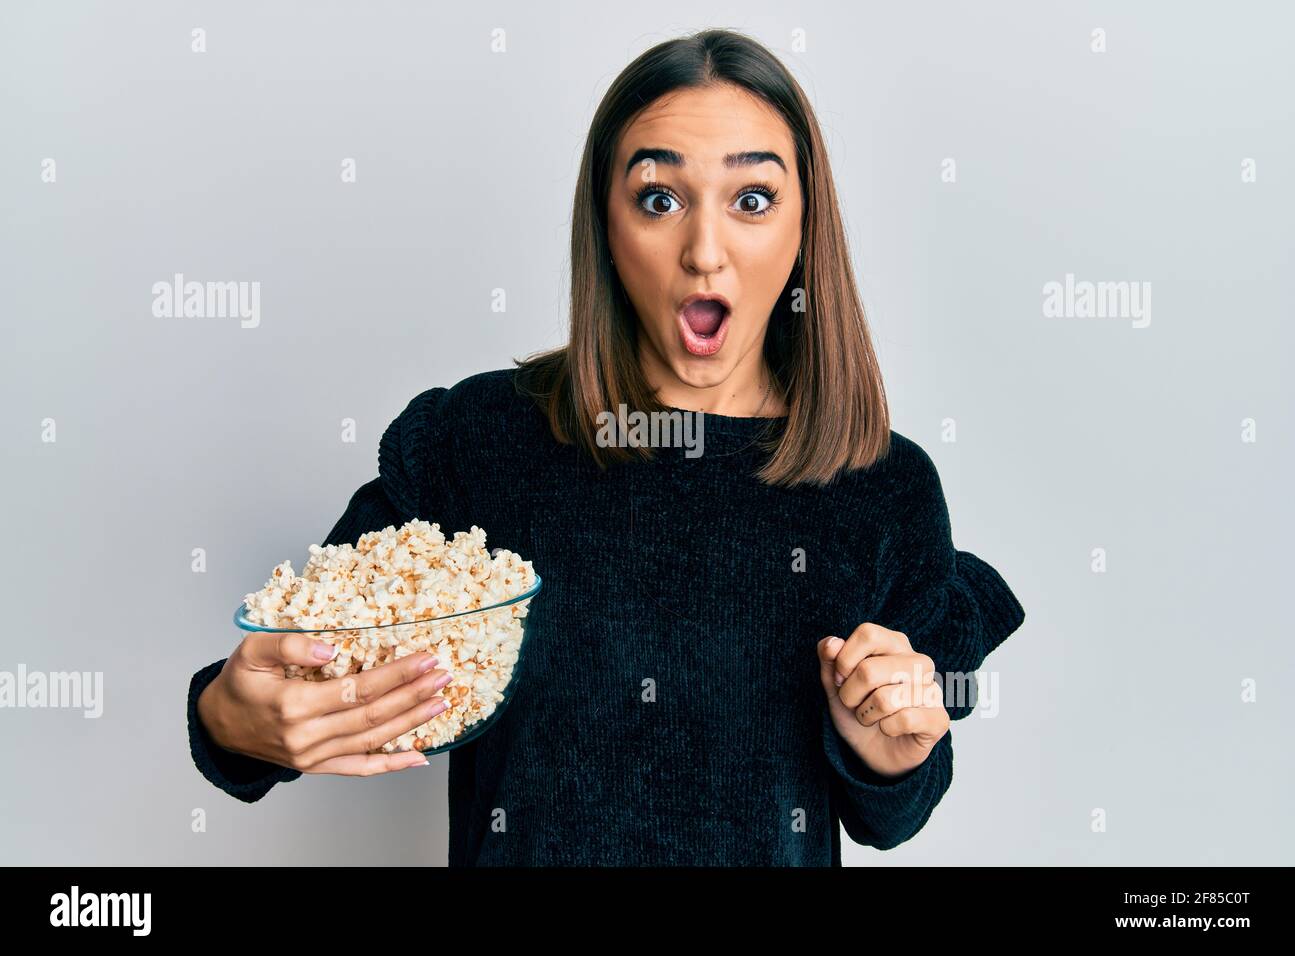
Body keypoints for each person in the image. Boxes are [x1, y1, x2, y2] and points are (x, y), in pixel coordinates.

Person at [187, 28, 1026, 866]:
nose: (705, 251)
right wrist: (230, 717)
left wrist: (891, 749)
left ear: (806, 222)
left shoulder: (882, 484)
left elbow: (893, 813)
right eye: (659, 198)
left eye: (753, 199)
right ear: (605, 222)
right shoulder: (476, 441)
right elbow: (285, 685)